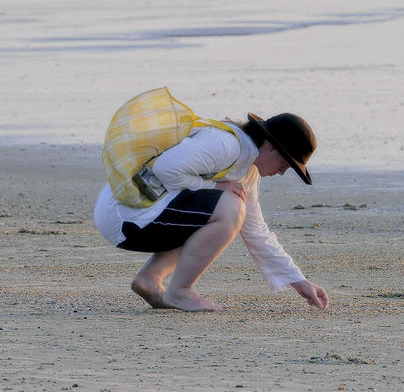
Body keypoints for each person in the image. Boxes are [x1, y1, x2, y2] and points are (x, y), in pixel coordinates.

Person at [93, 113, 329, 312]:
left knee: (232, 207)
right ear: (271, 147)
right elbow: (165, 169)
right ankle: (180, 291)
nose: (281, 173)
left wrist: (298, 281)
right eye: (285, 164)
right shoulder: (227, 145)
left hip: (142, 216)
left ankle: (150, 280)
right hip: (124, 215)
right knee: (230, 207)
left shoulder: (247, 168)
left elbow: (255, 231)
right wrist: (215, 185)